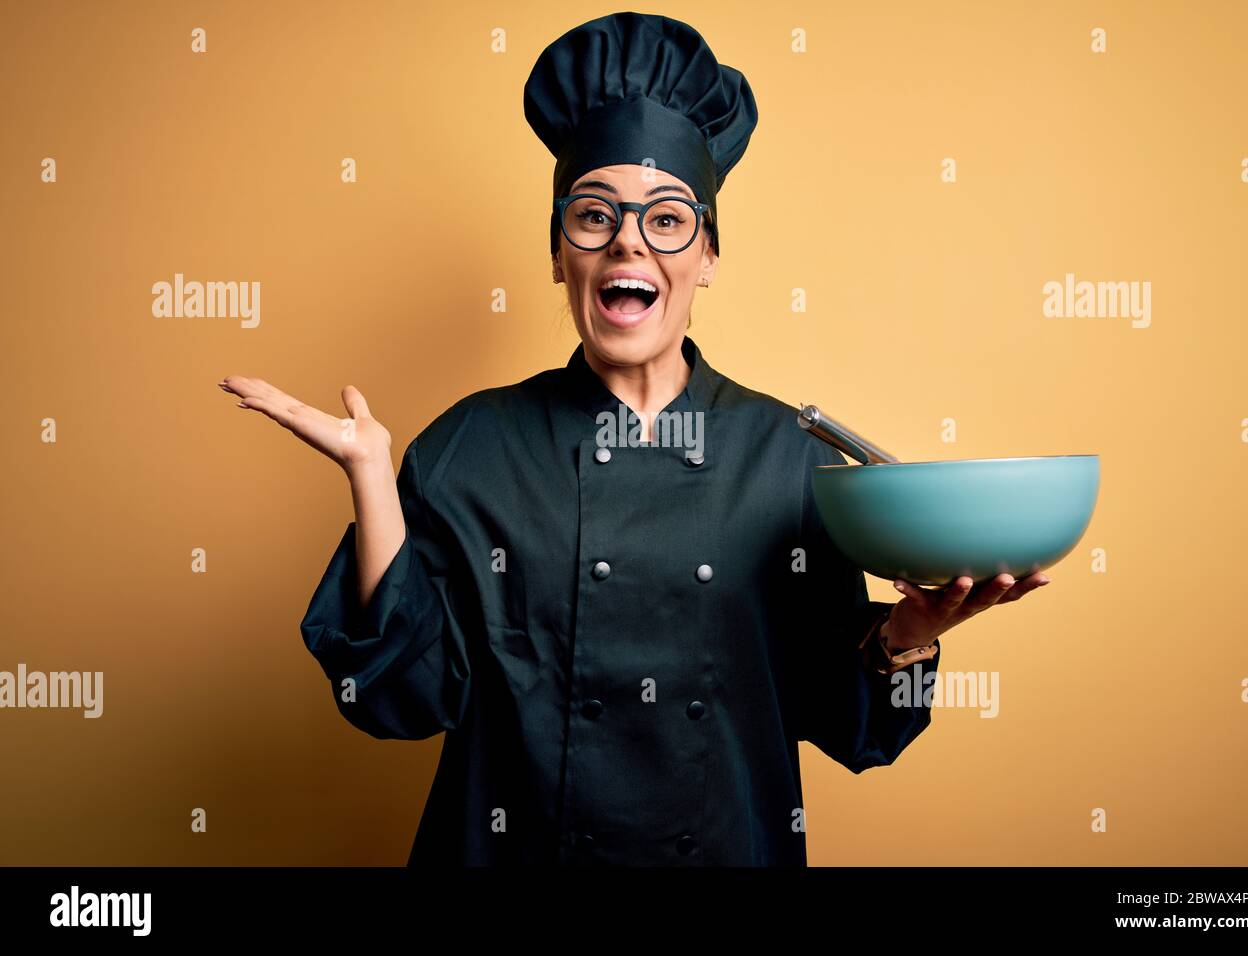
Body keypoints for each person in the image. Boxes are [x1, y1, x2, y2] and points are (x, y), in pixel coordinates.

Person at [219, 11, 1048, 866]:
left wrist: (910, 632)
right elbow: (398, 700)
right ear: (558, 255)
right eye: (593, 215)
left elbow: (846, 723)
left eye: (666, 218)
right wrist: (372, 483)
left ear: (709, 256)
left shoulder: (792, 459)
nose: (628, 238)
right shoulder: (471, 447)